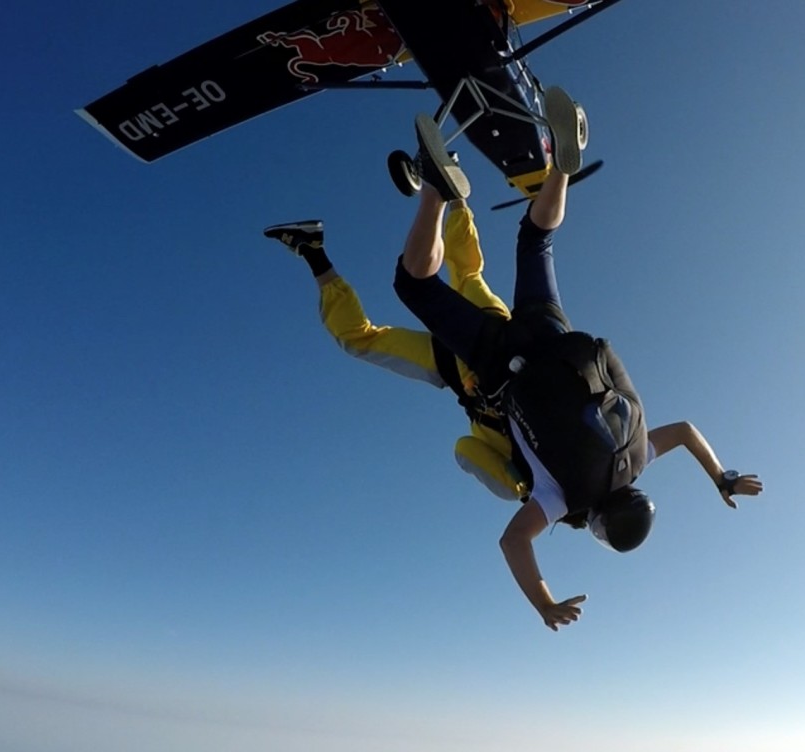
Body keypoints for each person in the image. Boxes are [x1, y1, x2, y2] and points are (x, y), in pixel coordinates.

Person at [386, 87, 763, 631]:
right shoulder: (562, 498)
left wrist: (721, 476)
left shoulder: (637, 457)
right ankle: (436, 195)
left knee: (535, 241)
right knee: (414, 286)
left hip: (559, 338)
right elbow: (513, 542)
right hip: (505, 364)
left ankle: (559, 169)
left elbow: (684, 430)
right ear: (600, 526)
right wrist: (544, 602)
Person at [264, 201, 528, 501]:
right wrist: (524, 491)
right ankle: (313, 251)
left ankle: (453, 195)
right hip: (461, 365)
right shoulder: (525, 485)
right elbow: (465, 450)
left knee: (467, 274)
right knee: (361, 339)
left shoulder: (579, 442)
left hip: (490, 341)